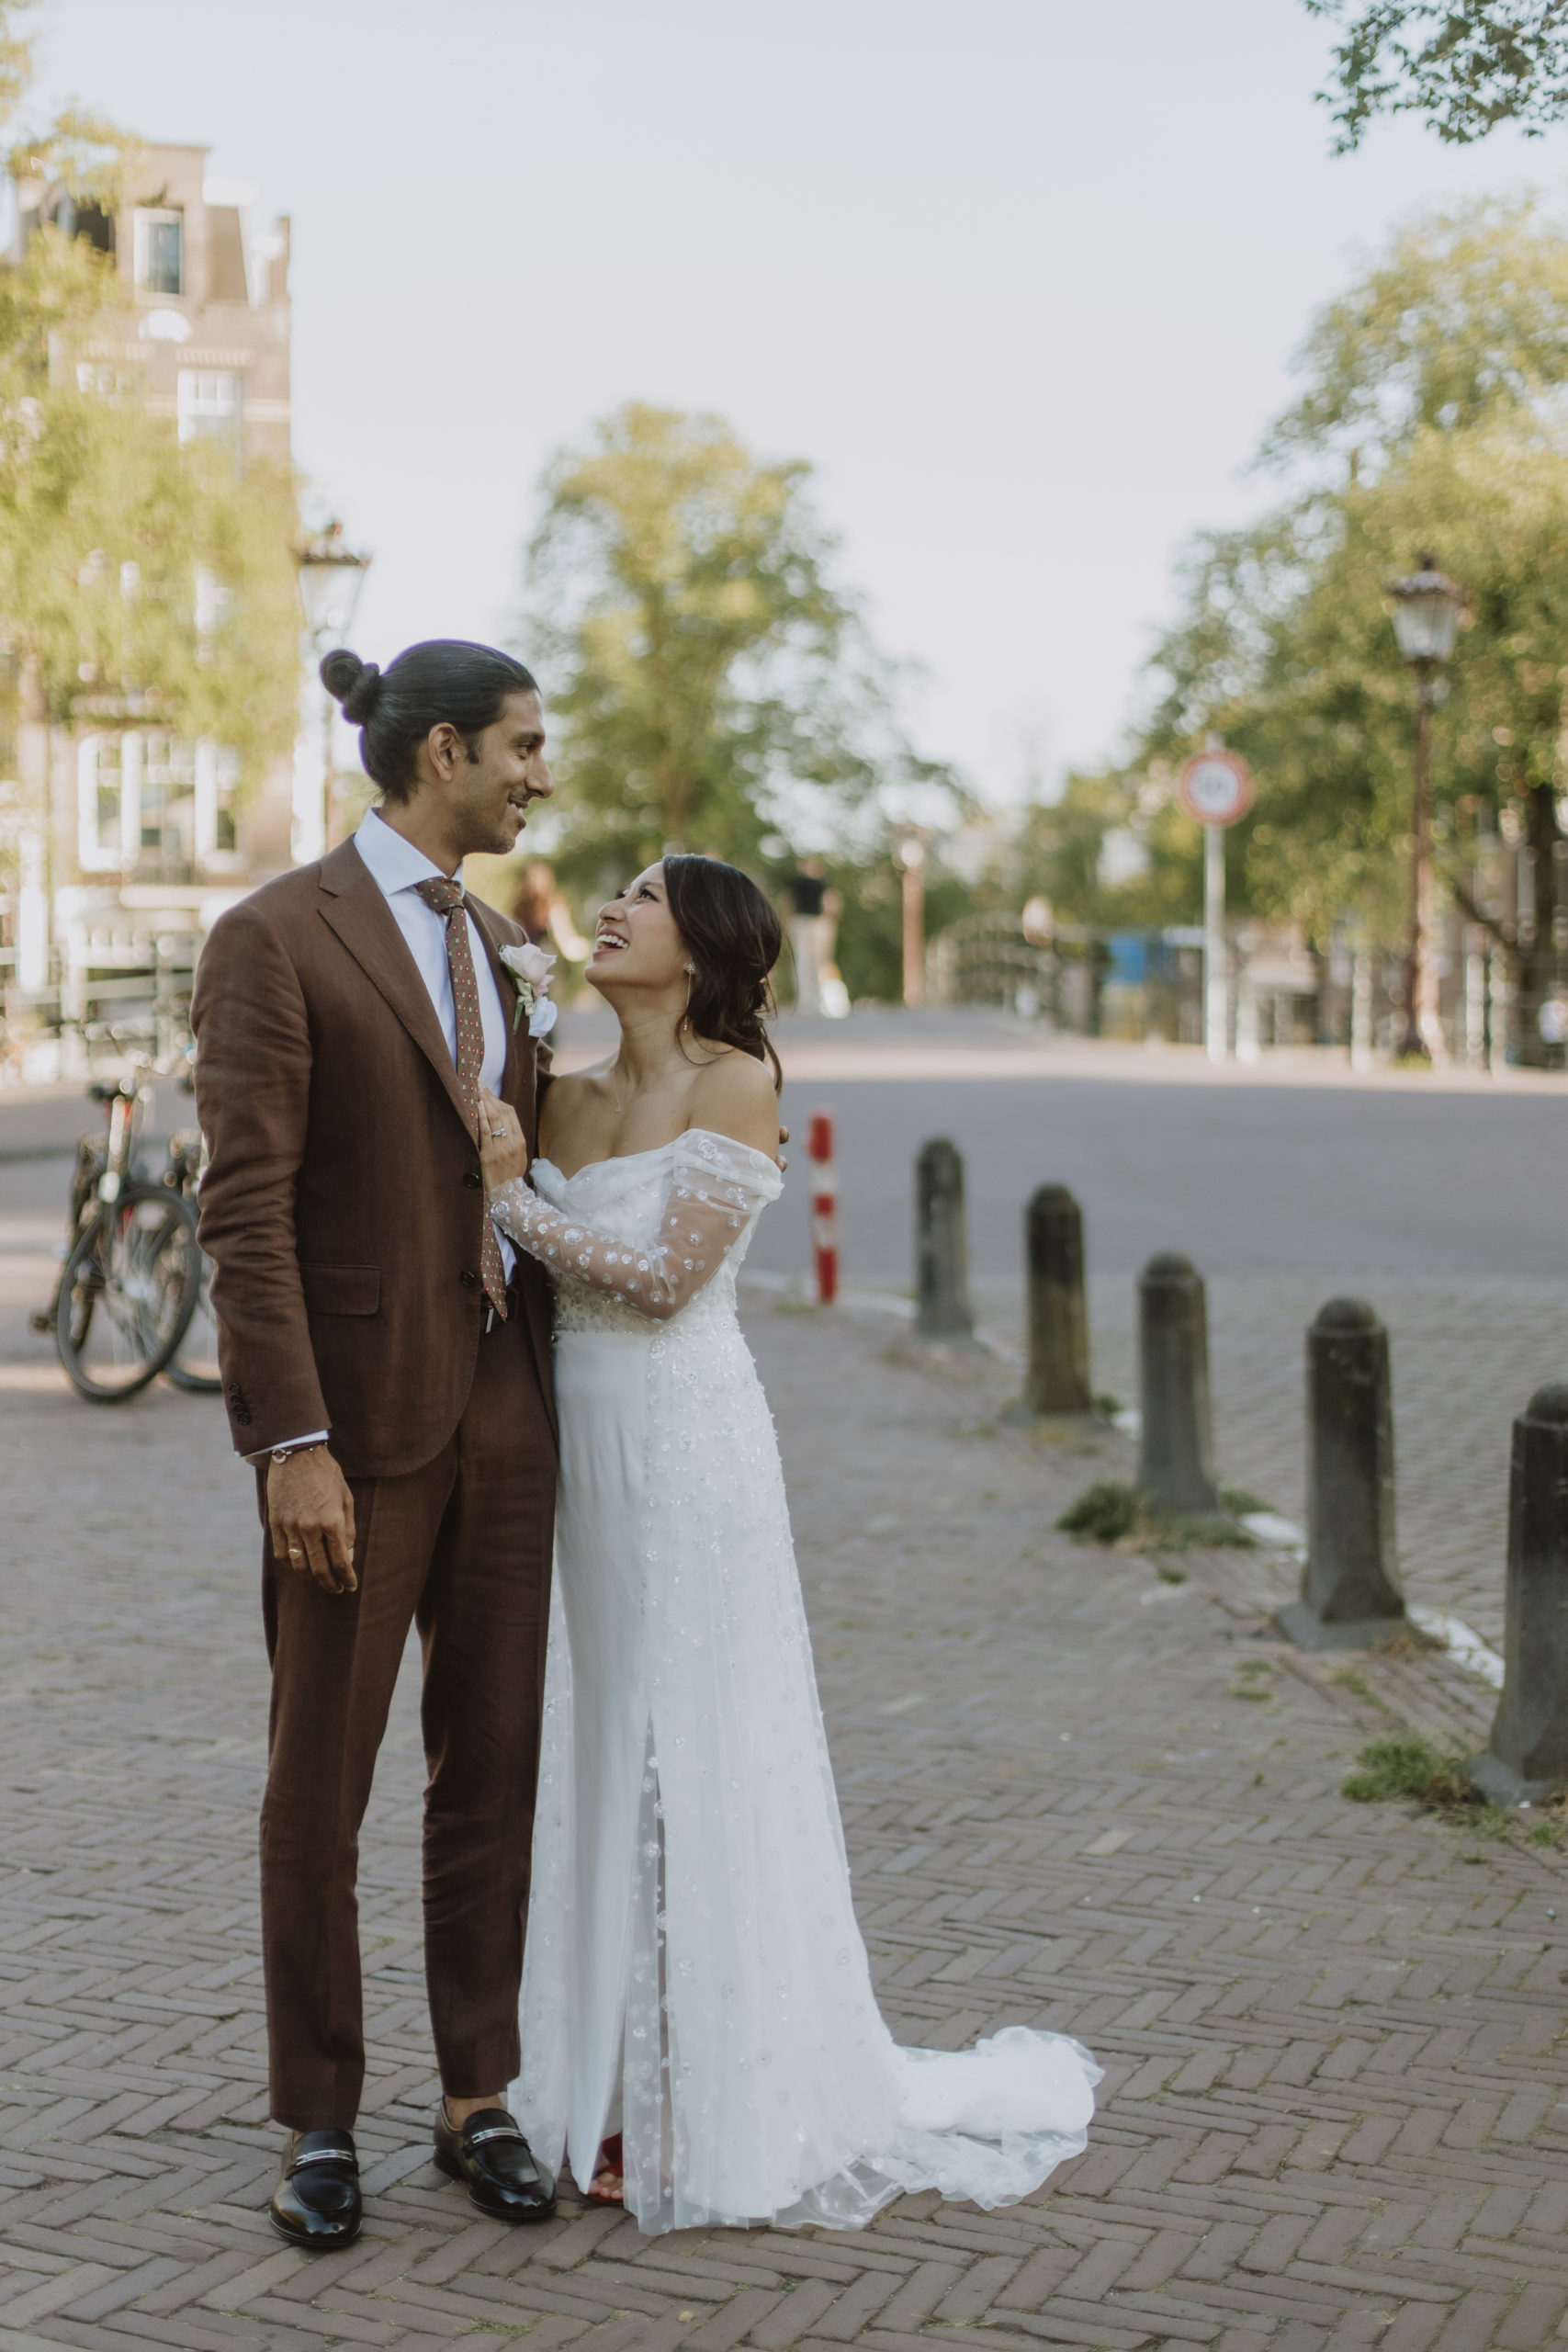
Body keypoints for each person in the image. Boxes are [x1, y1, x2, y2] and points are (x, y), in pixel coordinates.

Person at [477, 854, 1100, 2233]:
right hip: (580, 1455)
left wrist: (510, 1197)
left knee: (686, 1748)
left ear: (698, 946)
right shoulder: (562, 1092)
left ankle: (707, 2093)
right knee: (599, 1745)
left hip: (688, 1445)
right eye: (616, 890)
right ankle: (597, 2084)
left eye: (642, 894)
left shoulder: (735, 1080)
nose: (611, 907)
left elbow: (660, 1281)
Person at [192, 640, 563, 2249]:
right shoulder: (275, 936)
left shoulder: (501, 945)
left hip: (506, 1410)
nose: (541, 776)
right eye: (523, 748)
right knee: (317, 1787)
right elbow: (243, 1208)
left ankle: (476, 2093)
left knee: (491, 1772)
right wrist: (292, 1441)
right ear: (439, 756)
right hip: (354, 1426)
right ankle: (318, 2115)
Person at [784, 855, 829, 1014]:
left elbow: (789, 902)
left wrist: (788, 921)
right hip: (815, 923)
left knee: (804, 961)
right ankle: (813, 1000)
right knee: (814, 962)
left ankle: (807, 1000)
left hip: (802, 922)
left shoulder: (799, 882)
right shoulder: (820, 883)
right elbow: (829, 903)